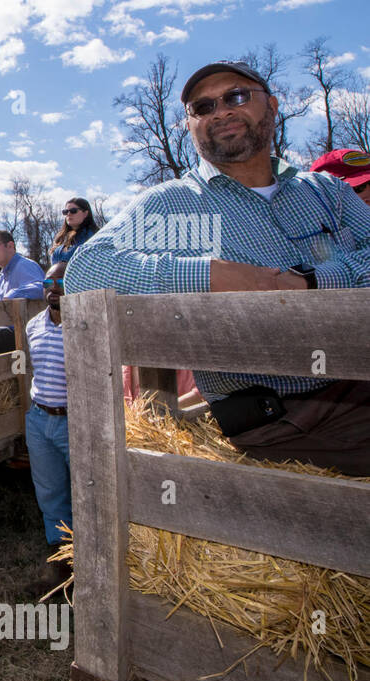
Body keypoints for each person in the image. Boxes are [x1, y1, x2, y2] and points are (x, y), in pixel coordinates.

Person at [67, 59, 370, 475]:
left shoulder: (325, 191)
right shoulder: (179, 206)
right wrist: (212, 274)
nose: (221, 111)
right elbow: (85, 272)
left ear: (273, 105)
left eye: (237, 96)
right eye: (203, 107)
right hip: (288, 413)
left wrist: (313, 281)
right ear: (190, 127)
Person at [23, 264, 71, 548]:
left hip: (74, 421)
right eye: (48, 281)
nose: (53, 287)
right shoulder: (33, 325)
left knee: (87, 489)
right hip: (39, 419)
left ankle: (91, 557)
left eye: (61, 280)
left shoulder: (85, 322)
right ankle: (61, 555)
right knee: (50, 492)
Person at [0, 230, 45, 301]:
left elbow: (42, 289)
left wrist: (12, 295)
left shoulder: (24, 265)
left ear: (10, 246)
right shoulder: (2, 277)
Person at [48, 197, 98, 264]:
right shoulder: (61, 239)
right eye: (65, 212)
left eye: (73, 211)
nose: (68, 214)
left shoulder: (93, 238)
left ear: (85, 213)